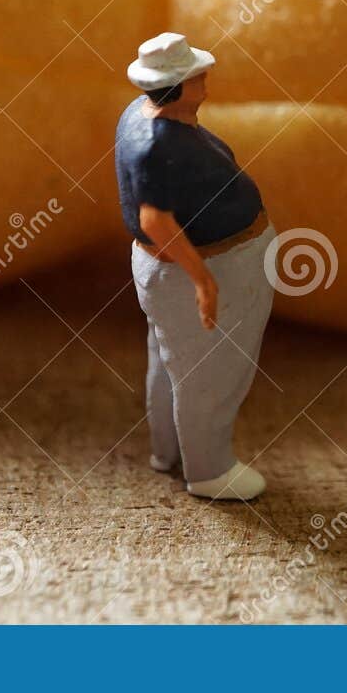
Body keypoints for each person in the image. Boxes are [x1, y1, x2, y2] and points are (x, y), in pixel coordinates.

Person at [116, 32, 274, 500]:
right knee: (213, 372)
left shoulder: (138, 115)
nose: (206, 81)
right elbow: (155, 218)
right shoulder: (159, 146)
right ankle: (209, 470)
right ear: (184, 87)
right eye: (198, 76)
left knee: (170, 364)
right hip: (206, 265)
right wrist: (202, 279)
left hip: (179, 268)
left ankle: (167, 451)